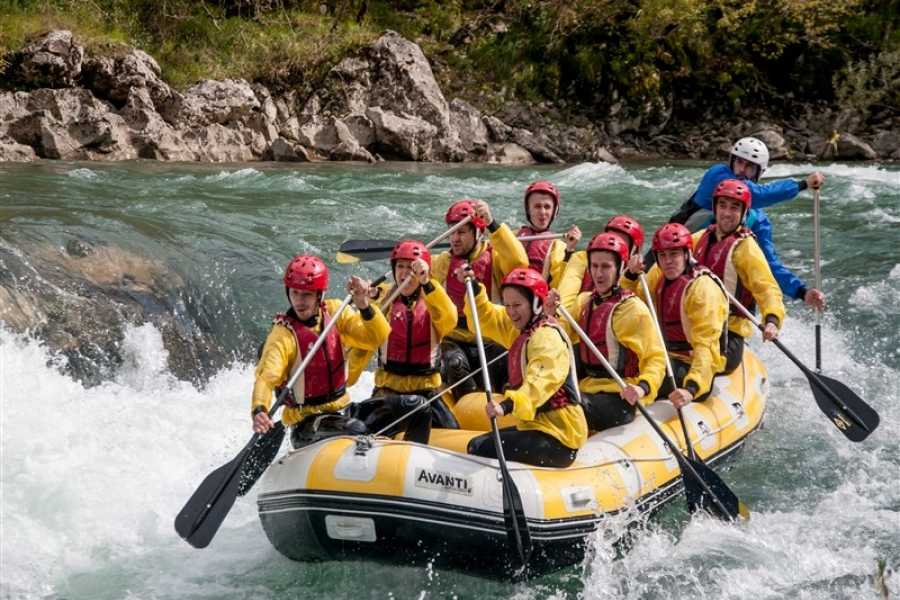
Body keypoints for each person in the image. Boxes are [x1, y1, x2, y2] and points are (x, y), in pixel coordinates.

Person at [657, 136, 826, 311]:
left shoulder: (758, 219)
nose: (742, 170)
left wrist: (801, 291)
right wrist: (802, 184)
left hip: (717, 288)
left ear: (759, 173)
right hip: (676, 260)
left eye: (750, 167)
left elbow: (768, 265)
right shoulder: (718, 175)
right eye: (739, 163)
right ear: (731, 162)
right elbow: (758, 194)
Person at [250, 255, 390, 446]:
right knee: (357, 429)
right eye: (295, 293)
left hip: (341, 411)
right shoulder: (283, 335)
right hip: (306, 424)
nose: (299, 301)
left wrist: (364, 305)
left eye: (306, 294)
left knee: (413, 405)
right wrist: (260, 410)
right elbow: (267, 378)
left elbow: (377, 338)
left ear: (319, 295)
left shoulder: (334, 313)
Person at [459, 266, 588, 468]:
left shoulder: (547, 337)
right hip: (537, 426)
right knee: (477, 444)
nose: (511, 312)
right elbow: (486, 317)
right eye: (507, 305)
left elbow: (539, 383)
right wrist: (474, 289)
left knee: (479, 447)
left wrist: (508, 405)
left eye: (517, 305)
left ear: (536, 303)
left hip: (561, 437)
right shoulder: (521, 328)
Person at [548, 233, 666, 431]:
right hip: (588, 386)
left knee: (565, 410)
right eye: (594, 266)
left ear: (620, 268)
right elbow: (560, 337)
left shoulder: (633, 309)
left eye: (606, 267)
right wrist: (550, 315)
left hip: (620, 396)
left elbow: (655, 357)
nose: (599, 274)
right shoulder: (584, 301)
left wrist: (642, 387)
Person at [348, 240, 460, 443]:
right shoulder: (384, 303)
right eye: (400, 266)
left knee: (454, 430)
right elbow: (362, 346)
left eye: (411, 268)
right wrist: (347, 379)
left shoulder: (434, 304)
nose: (405, 273)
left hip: (426, 391)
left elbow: (450, 318)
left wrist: (427, 281)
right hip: (388, 391)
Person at [622, 224, 729, 409]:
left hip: (690, 366)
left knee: (637, 375)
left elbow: (706, 347)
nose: (668, 261)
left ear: (687, 254)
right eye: (662, 256)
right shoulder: (658, 276)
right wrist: (630, 276)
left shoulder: (702, 289)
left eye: (674, 254)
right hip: (663, 357)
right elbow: (632, 306)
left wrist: (691, 388)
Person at [431, 198, 529, 399]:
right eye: (452, 231)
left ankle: (499, 402)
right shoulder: (442, 262)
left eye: (462, 232)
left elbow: (520, 262)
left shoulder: (495, 257)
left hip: (489, 336)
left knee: (506, 359)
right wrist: (377, 292)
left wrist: (492, 223)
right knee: (454, 363)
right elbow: (412, 283)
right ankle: (469, 404)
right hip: (454, 337)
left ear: (478, 232)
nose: (455, 238)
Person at [692, 179, 785, 373]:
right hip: (695, 324)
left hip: (728, 333)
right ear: (715, 208)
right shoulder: (699, 238)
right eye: (722, 205)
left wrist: (772, 320)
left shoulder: (746, 248)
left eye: (734, 208)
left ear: (744, 213)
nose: (727, 213)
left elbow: (767, 287)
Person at [557, 214, 646, 304]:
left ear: (634, 251)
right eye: (610, 239)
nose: (612, 247)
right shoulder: (581, 259)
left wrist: (630, 277)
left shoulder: (639, 281)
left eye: (620, 243)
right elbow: (564, 302)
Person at [516, 180, 581, 287]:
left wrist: (569, 250)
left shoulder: (558, 247)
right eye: (537, 206)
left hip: (538, 300)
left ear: (554, 211)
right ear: (528, 210)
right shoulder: (513, 235)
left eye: (547, 207)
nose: (542, 212)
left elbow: (560, 283)